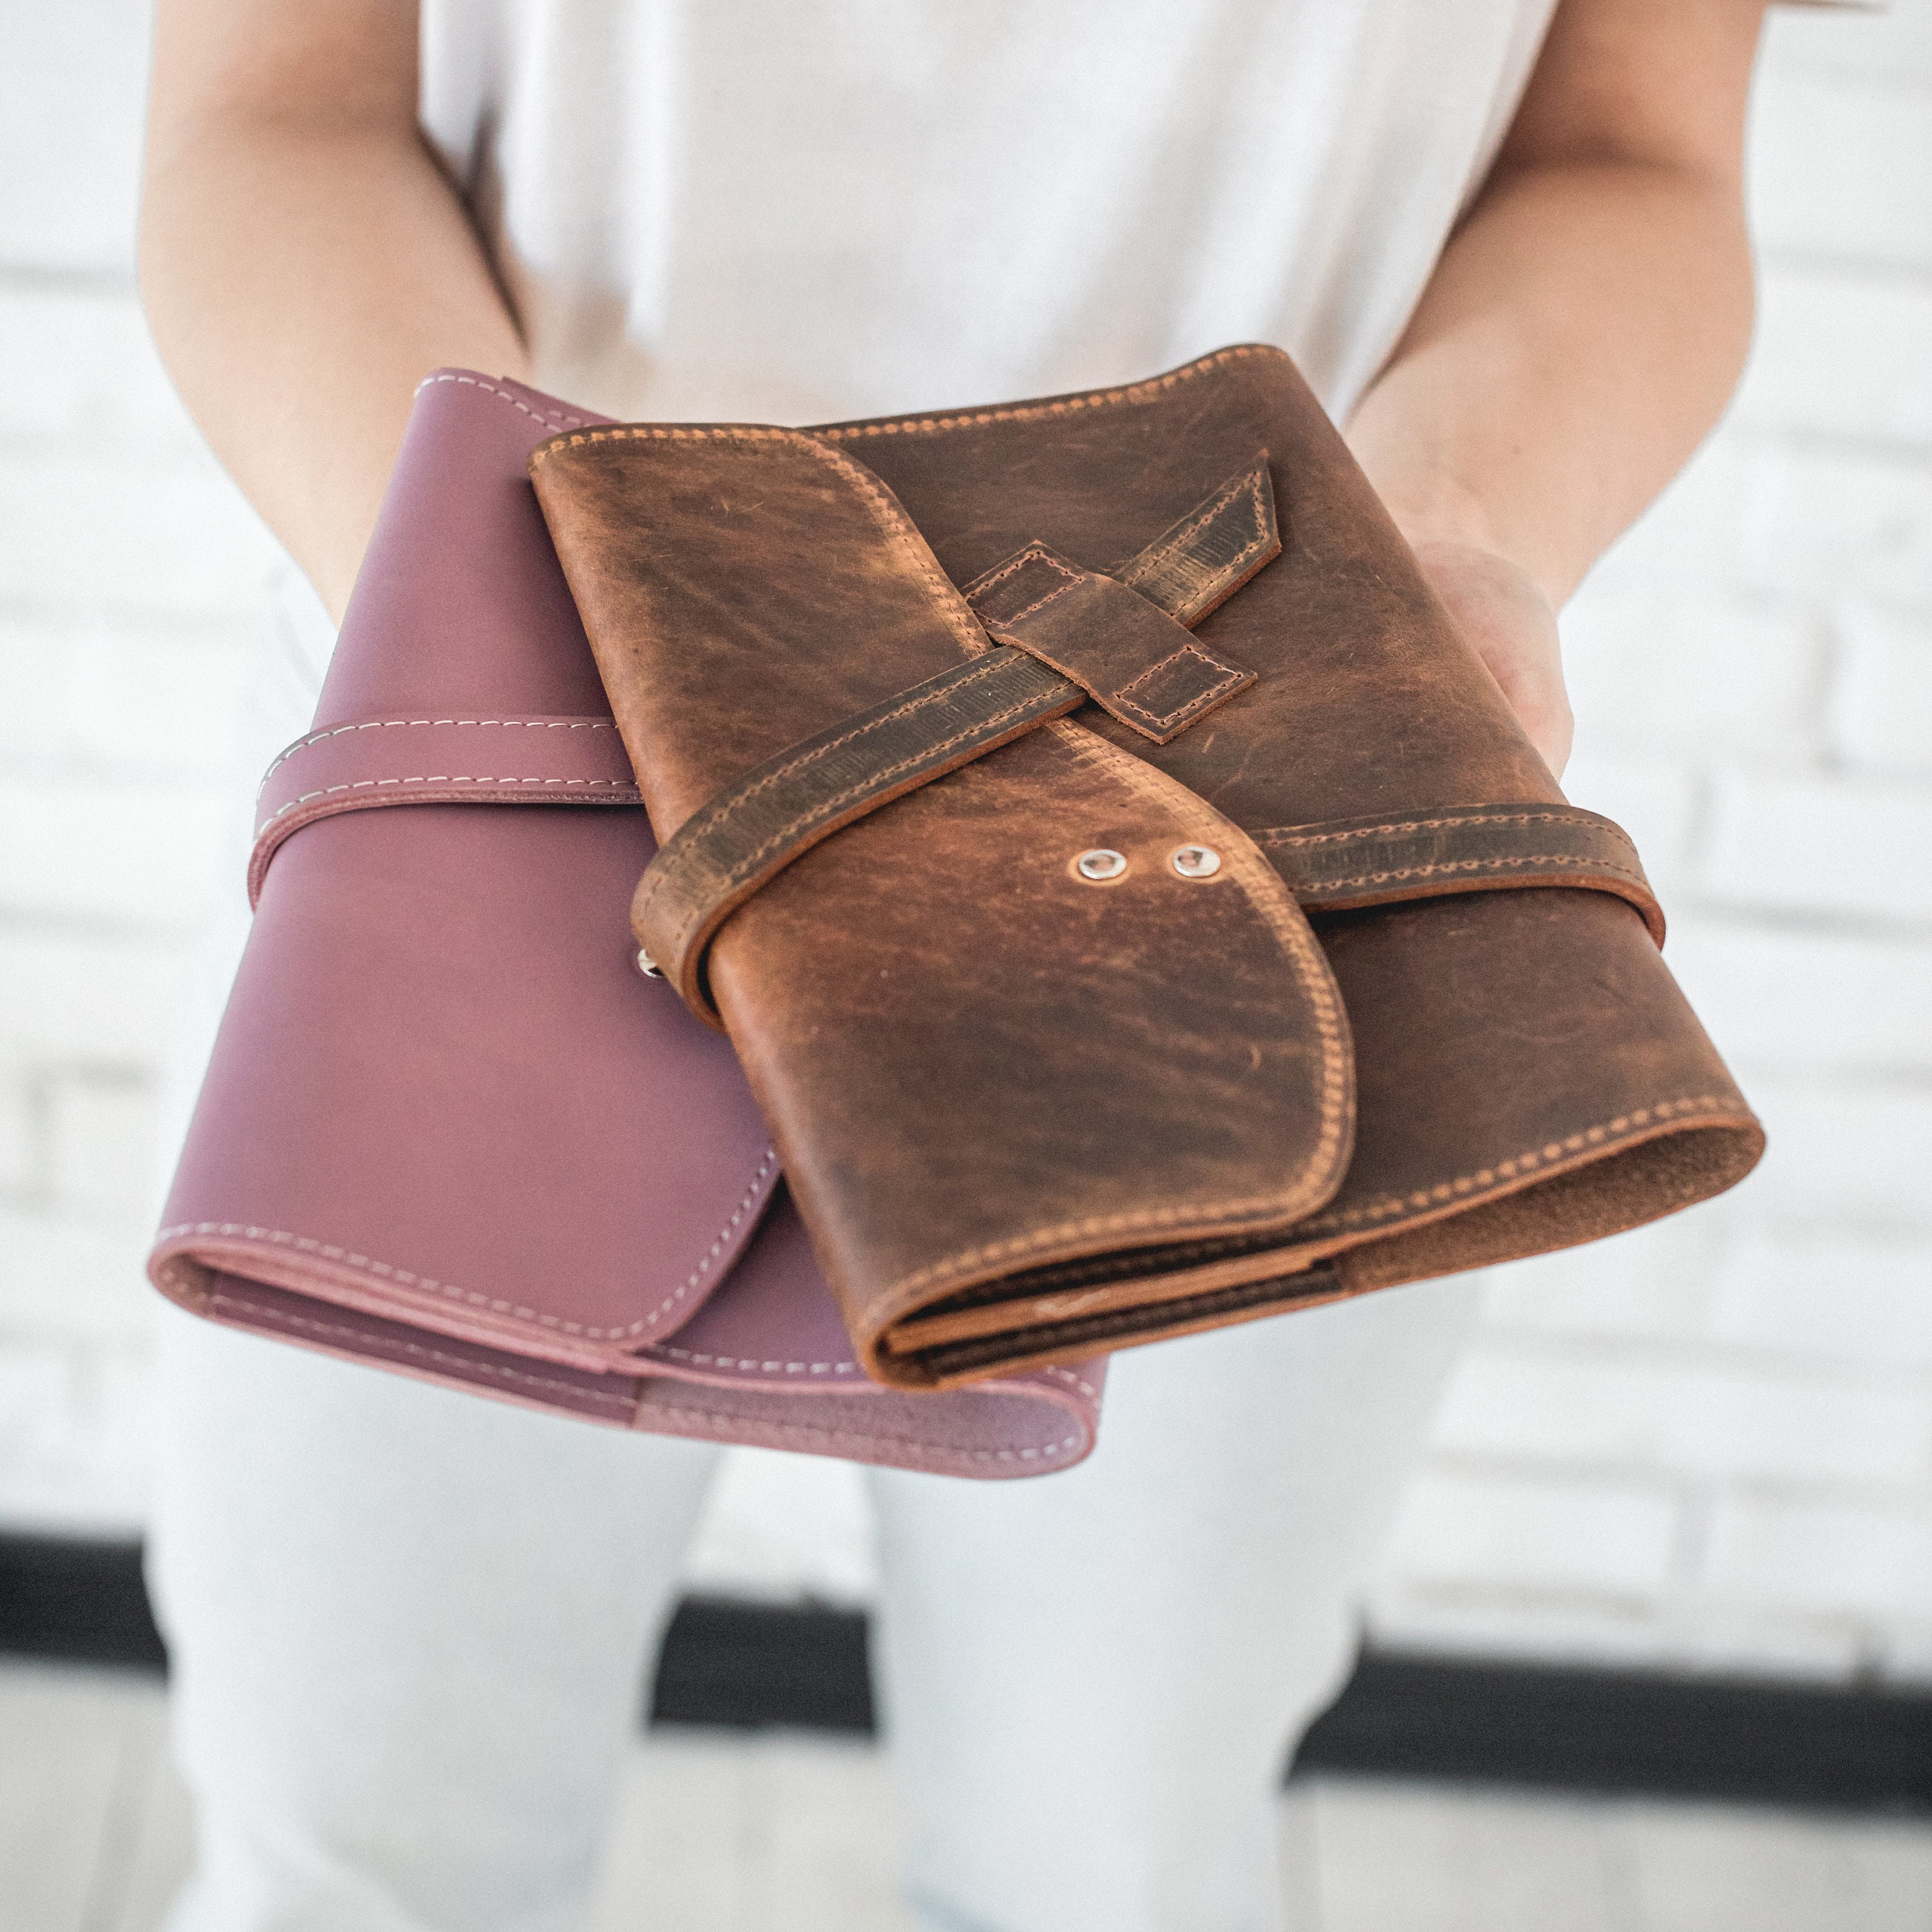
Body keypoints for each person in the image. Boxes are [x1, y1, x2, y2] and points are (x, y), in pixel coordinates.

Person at [137, 3, 1772, 1927]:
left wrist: (1427, 549)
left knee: (1110, 1872)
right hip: (513, 723)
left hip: (1248, 789)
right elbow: (272, 115)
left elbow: (1631, 155)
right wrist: (495, 636)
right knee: (361, 1847)